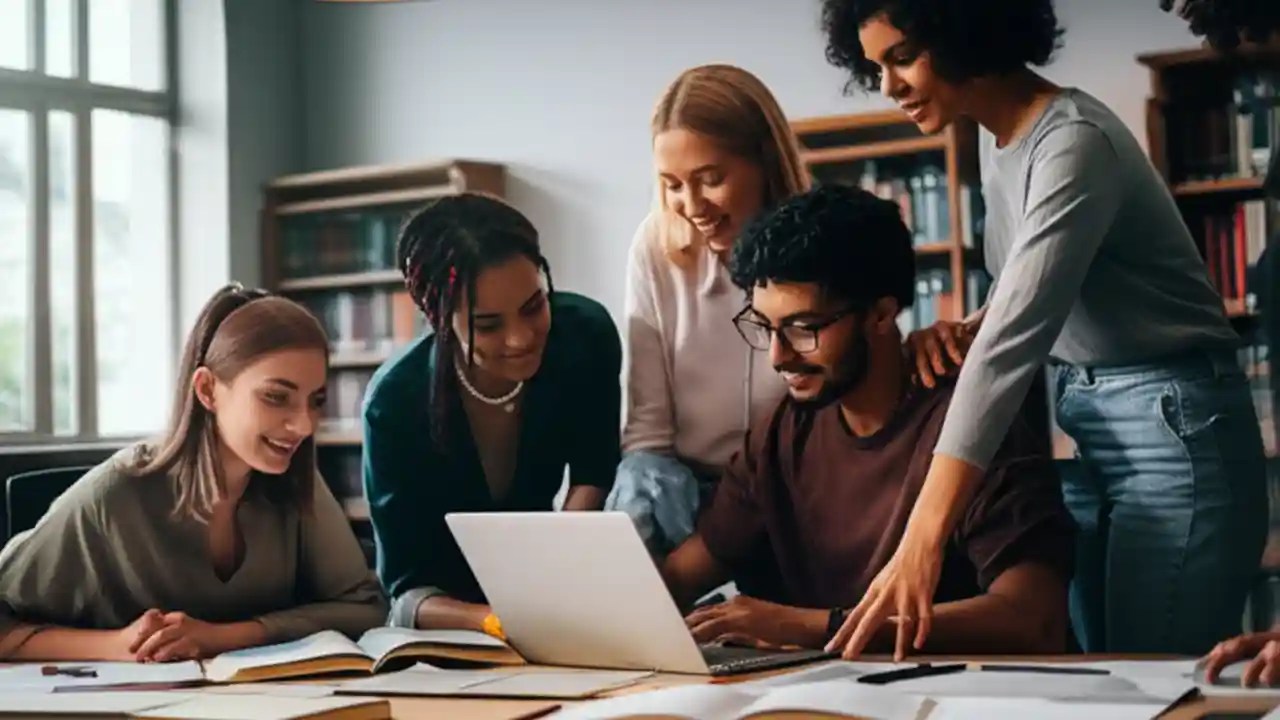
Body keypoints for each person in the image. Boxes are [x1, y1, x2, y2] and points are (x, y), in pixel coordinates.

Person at [820, 0, 1268, 658]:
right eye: (873, 67)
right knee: (1104, 675)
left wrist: (921, 540)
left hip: (1176, 432)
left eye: (901, 58)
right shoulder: (993, 136)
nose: (887, 86)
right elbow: (1029, 290)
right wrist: (969, 326)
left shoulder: (1074, 142)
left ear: (964, 35)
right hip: (1089, 426)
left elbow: (1010, 350)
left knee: (1153, 682)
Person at [659, 185, 1076, 655]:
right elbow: (681, 574)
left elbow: (1033, 618)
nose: (778, 356)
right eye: (765, 327)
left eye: (803, 328)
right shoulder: (783, 432)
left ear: (880, 314)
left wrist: (809, 629)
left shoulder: (970, 427)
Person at [0, 284, 387, 662]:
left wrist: (225, 637)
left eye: (316, 401)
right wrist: (118, 645)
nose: (304, 425)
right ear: (207, 390)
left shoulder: (295, 481)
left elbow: (365, 607)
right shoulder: (111, 496)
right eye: (276, 397)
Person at [363, 192, 621, 636]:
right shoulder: (394, 402)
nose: (521, 338)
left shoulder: (584, 335)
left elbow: (593, 473)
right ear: (439, 318)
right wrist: (501, 621)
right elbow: (405, 588)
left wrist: (560, 566)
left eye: (534, 306)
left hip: (550, 593)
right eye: (488, 325)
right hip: (451, 622)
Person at [606, 64, 810, 557]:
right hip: (687, 490)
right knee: (638, 487)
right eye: (672, 184)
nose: (691, 204)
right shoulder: (655, 247)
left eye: (710, 179)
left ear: (763, 163)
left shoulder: (819, 241)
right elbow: (648, 433)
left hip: (795, 482)